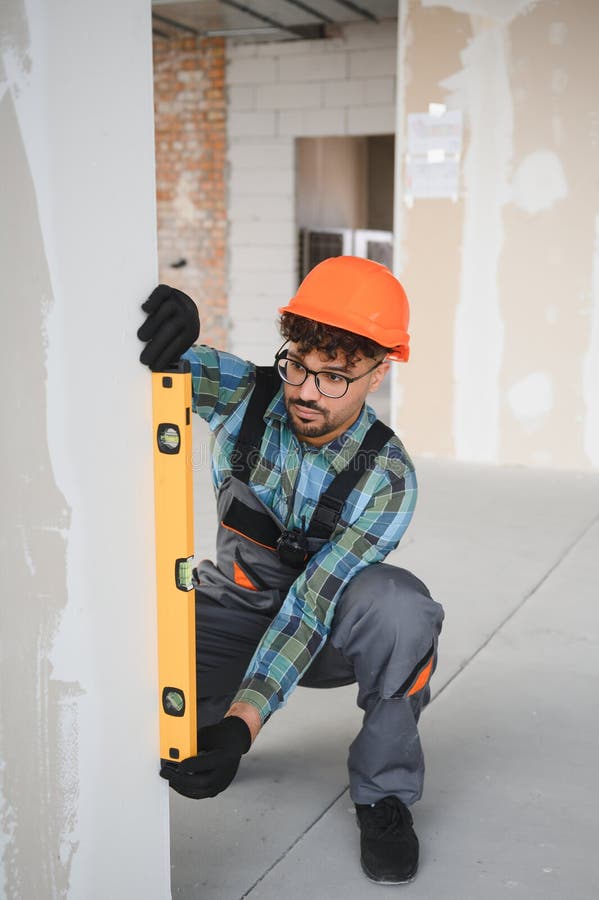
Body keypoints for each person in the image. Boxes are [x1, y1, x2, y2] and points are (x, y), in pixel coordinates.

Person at [138, 256, 444, 886]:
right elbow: (158, 364)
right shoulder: (247, 398)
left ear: (377, 371)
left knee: (400, 611)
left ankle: (383, 797)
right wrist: (158, 327)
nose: (306, 391)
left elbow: (309, 606)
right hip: (233, 609)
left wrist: (242, 730)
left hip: (327, 632)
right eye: (299, 365)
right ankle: (205, 718)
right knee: (143, 714)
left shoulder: (387, 478)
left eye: (335, 377)